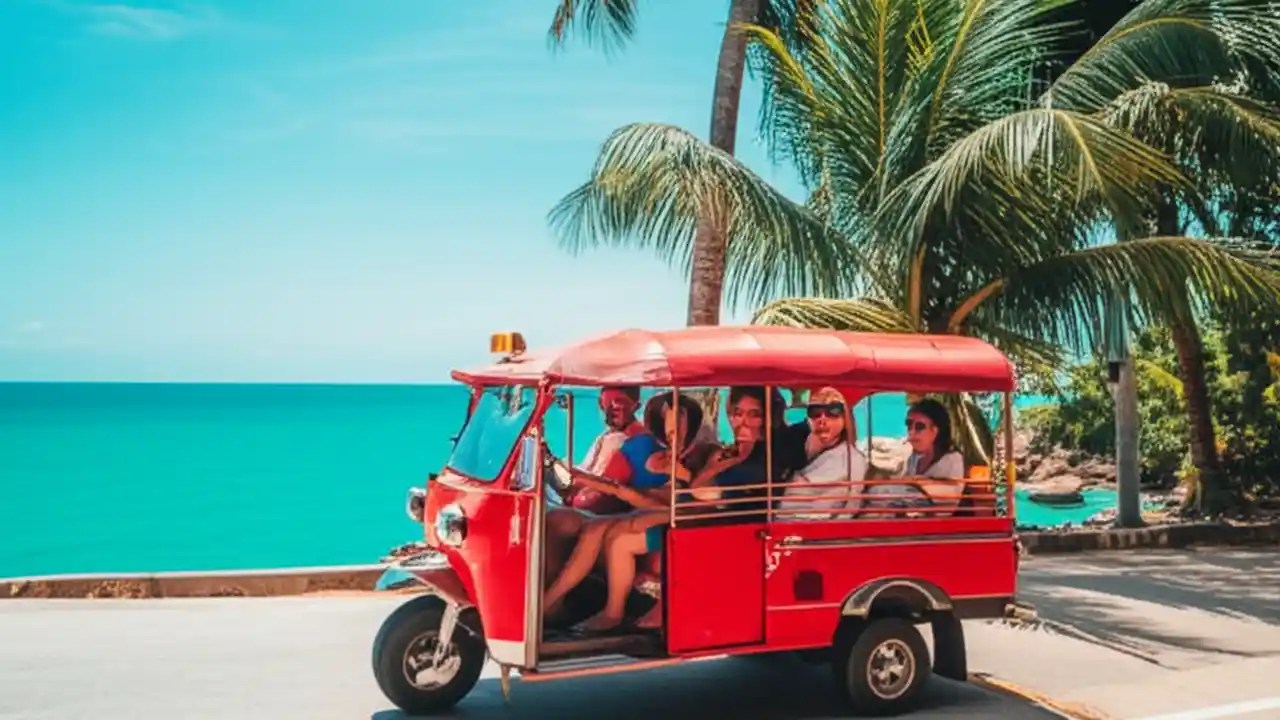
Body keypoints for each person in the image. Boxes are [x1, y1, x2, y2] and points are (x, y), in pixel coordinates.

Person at [542, 391, 714, 631]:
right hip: (659, 511)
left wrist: (680, 474)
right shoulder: (659, 454)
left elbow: (697, 499)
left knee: (617, 529)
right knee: (595, 528)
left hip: (686, 519)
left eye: (680, 429)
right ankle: (550, 602)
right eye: (669, 432)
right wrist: (585, 479)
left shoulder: (704, 455)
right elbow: (634, 495)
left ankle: (608, 613)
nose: (674, 438)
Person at [544, 386, 645, 581]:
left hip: (605, 512)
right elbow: (586, 473)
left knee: (555, 520)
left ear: (636, 406)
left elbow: (606, 492)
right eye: (607, 403)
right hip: (580, 499)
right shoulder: (606, 437)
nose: (612, 408)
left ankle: (551, 593)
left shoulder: (633, 442)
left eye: (620, 402)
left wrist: (571, 495)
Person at [688, 386, 808, 518]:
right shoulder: (732, 453)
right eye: (738, 413)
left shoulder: (782, 446)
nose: (743, 422)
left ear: (769, 416)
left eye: (754, 415)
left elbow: (706, 492)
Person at [776, 387, 869, 520]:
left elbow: (850, 506)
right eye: (815, 413)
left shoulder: (853, 461)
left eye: (832, 413)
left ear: (844, 419)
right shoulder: (799, 445)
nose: (822, 419)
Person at [866, 398, 965, 511]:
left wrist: (916, 482)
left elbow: (950, 494)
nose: (911, 432)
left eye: (919, 427)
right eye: (909, 425)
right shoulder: (912, 457)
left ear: (935, 431)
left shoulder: (952, 459)